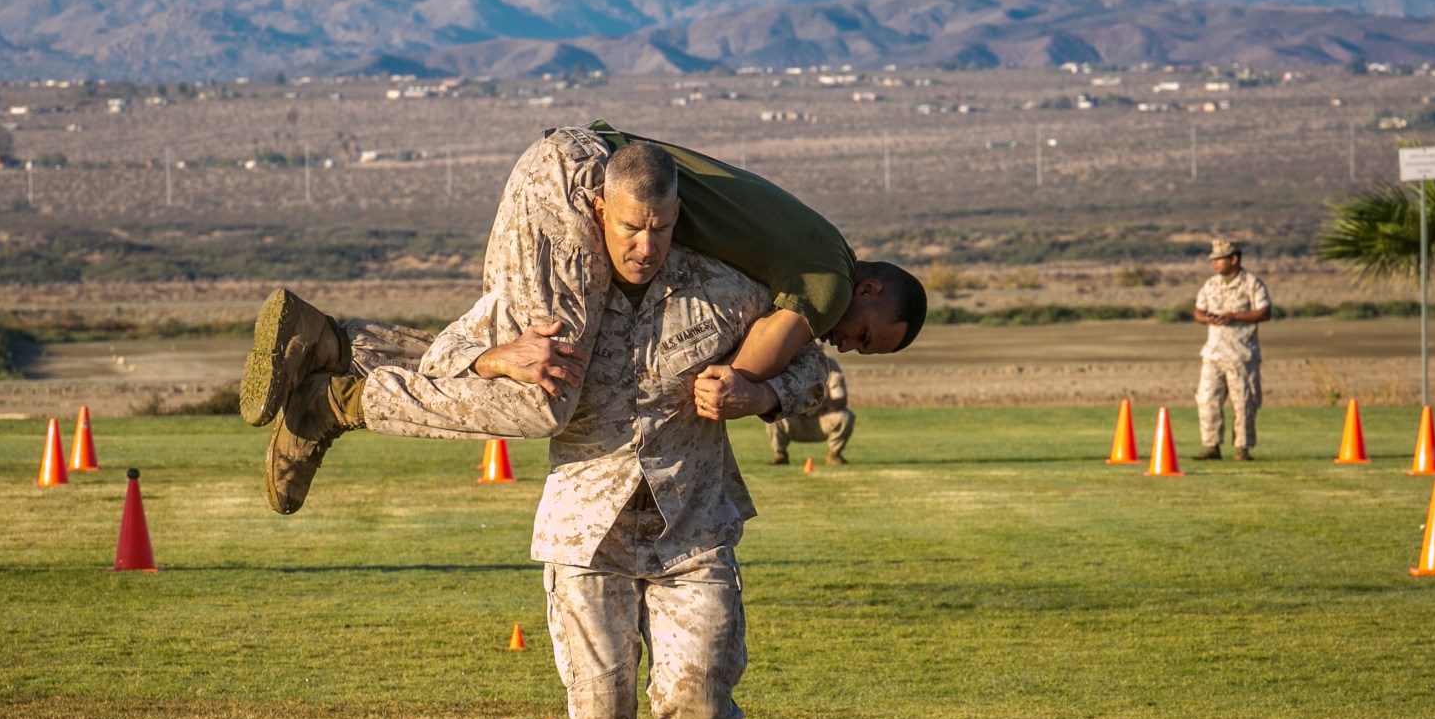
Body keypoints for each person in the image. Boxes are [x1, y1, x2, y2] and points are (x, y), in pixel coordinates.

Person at [253, 142, 826, 719]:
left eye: (662, 228)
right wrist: (501, 356)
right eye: (630, 228)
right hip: (585, 540)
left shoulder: (724, 292)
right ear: (598, 210)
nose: (645, 245)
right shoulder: (553, 291)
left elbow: (814, 369)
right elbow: (444, 359)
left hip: (694, 533)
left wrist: (758, 392)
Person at [238, 121, 926, 470]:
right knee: (545, 391)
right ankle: (341, 403)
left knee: (514, 351)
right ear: (869, 288)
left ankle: (338, 343)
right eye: (866, 335)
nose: (848, 344)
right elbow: (746, 366)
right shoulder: (830, 283)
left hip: (577, 168)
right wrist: (746, 386)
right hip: (579, 184)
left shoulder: (815, 247)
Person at [1192, 239, 1271, 461]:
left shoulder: (1252, 284)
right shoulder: (1211, 284)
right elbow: (1198, 311)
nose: (1215, 264)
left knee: (1244, 402)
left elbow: (1264, 312)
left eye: (1219, 259)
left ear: (1234, 259)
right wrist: (1207, 318)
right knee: (1207, 400)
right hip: (1213, 353)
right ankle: (1211, 446)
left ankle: (1242, 448)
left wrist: (1234, 317)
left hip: (1241, 355)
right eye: (1213, 260)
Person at [765, 355, 854, 465]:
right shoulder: (787, 364)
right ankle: (780, 455)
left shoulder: (830, 367)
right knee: (773, 415)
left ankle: (834, 455)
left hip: (821, 420)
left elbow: (841, 401)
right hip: (795, 419)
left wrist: (820, 401)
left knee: (845, 416)